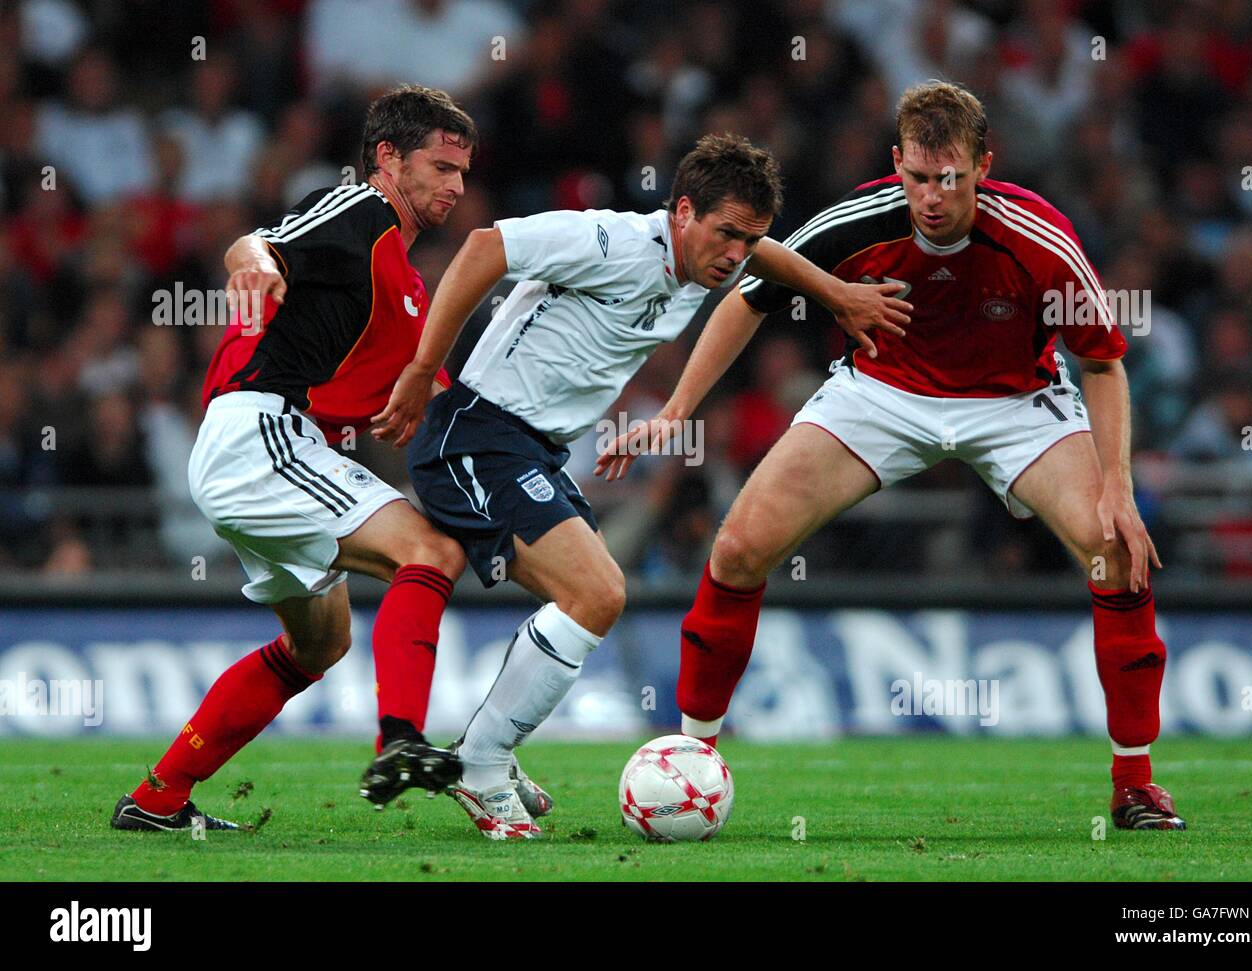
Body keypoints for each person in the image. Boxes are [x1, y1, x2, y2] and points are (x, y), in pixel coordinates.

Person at [598, 81, 1185, 832]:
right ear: (896, 163)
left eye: (951, 179)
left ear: (984, 166)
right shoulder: (863, 218)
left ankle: (1134, 784)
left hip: (1015, 402)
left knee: (1115, 550)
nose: (932, 197)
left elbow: (1102, 363)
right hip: (882, 393)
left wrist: (1119, 488)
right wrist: (678, 408)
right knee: (740, 546)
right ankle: (694, 756)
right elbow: (751, 294)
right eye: (917, 176)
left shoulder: (1041, 238)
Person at [370, 133, 907, 838]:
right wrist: (420, 369)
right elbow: (481, 248)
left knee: (590, 595)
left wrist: (835, 293)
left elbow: (765, 254)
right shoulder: (610, 240)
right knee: (597, 591)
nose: (736, 255)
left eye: (748, 241)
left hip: (531, 450)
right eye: (725, 235)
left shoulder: (707, 262)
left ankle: (485, 753)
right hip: (476, 434)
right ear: (681, 211)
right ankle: (482, 758)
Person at [111, 85, 481, 832]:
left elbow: (443, 405)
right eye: (441, 166)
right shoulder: (360, 210)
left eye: (463, 172)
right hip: (262, 432)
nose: (456, 186)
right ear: (386, 158)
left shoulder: (406, 287)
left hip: (266, 447)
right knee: (431, 552)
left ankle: (157, 799)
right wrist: (250, 260)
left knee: (320, 640)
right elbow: (259, 242)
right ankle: (400, 739)